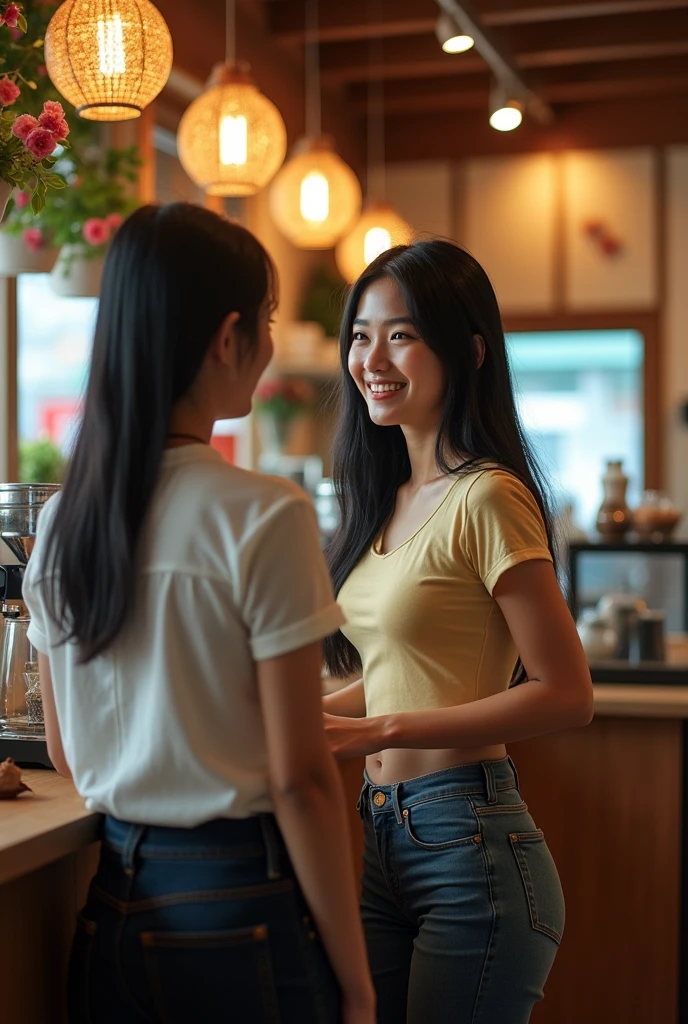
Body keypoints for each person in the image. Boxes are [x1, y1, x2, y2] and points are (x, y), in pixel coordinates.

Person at [23, 203, 374, 1024]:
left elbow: (66, 755)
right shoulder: (262, 514)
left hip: (113, 901)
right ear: (228, 339)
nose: (271, 342)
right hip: (239, 903)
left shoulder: (60, 526)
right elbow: (300, 779)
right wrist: (357, 986)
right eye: (269, 321)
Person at [321, 240, 594, 1024]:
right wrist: (303, 710)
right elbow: (406, 667)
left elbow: (565, 693)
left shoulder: (488, 496)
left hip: (469, 844)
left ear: (468, 350)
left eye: (401, 334)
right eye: (361, 334)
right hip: (385, 839)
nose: (373, 357)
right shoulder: (394, 495)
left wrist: (379, 727)